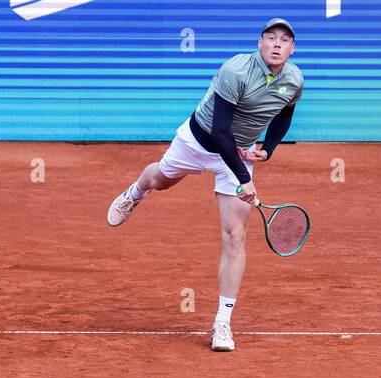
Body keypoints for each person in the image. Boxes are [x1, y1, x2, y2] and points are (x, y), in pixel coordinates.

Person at [105, 18, 304, 353]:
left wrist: (268, 148)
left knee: (235, 234)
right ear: (260, 43)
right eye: (271, 37)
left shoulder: (294, 80)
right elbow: (220, 132)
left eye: (284, 40)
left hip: (239, 154)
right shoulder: (235, 71)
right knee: (161, 180)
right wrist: (245, 179)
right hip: (198, 143)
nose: (276, 44)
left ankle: (222, 324)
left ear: (292, 48)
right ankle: (135, 192)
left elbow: (284, 114)